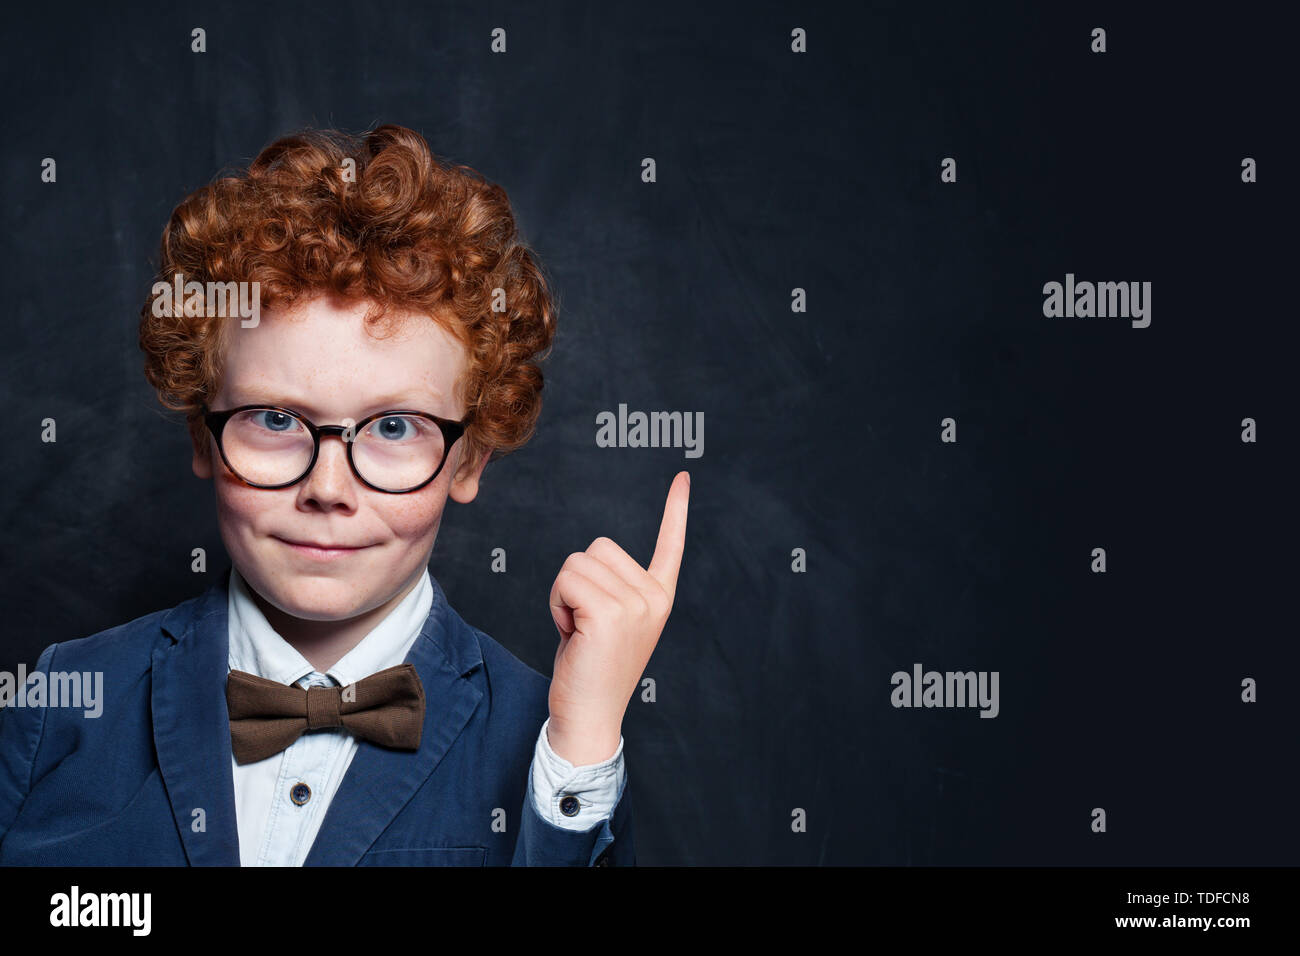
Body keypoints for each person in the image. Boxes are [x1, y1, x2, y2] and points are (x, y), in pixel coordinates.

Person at [0, 125, 689, 866]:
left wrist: (581, 747)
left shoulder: (554, 744)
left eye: (395, 426)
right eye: (274, 419)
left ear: (469, 461)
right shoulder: (61, 703)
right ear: (204, 437)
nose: (329, 488)